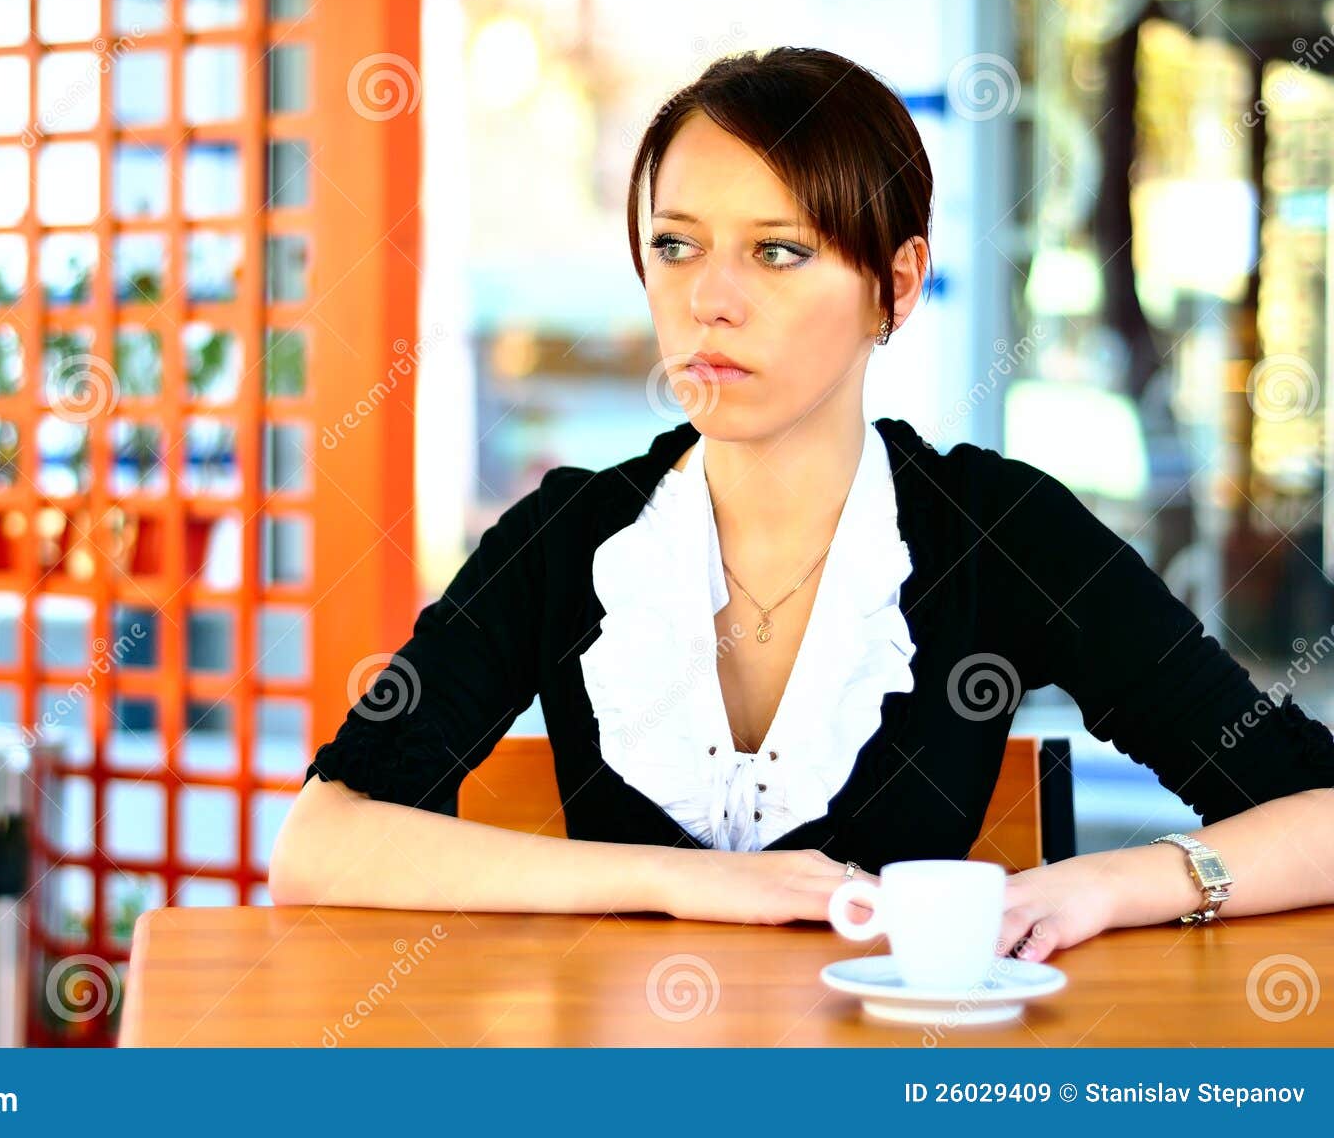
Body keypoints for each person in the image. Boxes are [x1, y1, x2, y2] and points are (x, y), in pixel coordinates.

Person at [269, 46, 1334, 963]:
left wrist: (1100, 887)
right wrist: (678, 882)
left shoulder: (997, 532)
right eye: (676, 244)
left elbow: (1312, 810)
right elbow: (321, 843)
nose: (709, 298)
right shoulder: (567, 538)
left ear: (896, 283)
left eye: (778, 251)